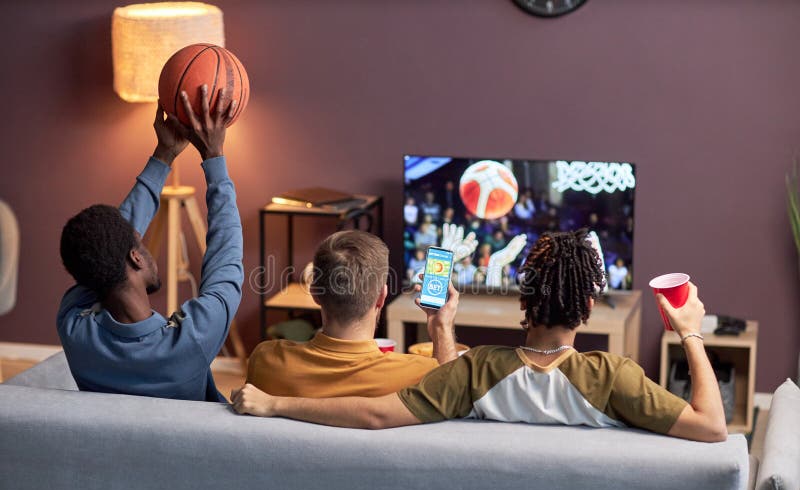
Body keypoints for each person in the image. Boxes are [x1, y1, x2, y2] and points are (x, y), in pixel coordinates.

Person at [233, 229, 727, 443]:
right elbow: (712, 428)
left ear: (522, 302)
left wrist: (274, 403)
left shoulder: (474, 370)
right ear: (590, 309)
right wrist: (691, 334)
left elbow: (380, 412)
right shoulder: (615, 376)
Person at [57, 85, 242, 402]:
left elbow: (112, 242)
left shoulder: (73, 327)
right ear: (136, 258)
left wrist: (166, 153)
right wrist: (213, 155)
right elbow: (225, 260)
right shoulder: (192, 342)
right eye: (140, 243)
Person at [247, 230, 459, 398]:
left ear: (314, 294)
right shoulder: (417, 375)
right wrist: (441, 325)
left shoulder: (265, 360)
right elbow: (451, 394)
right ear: (381, 297)